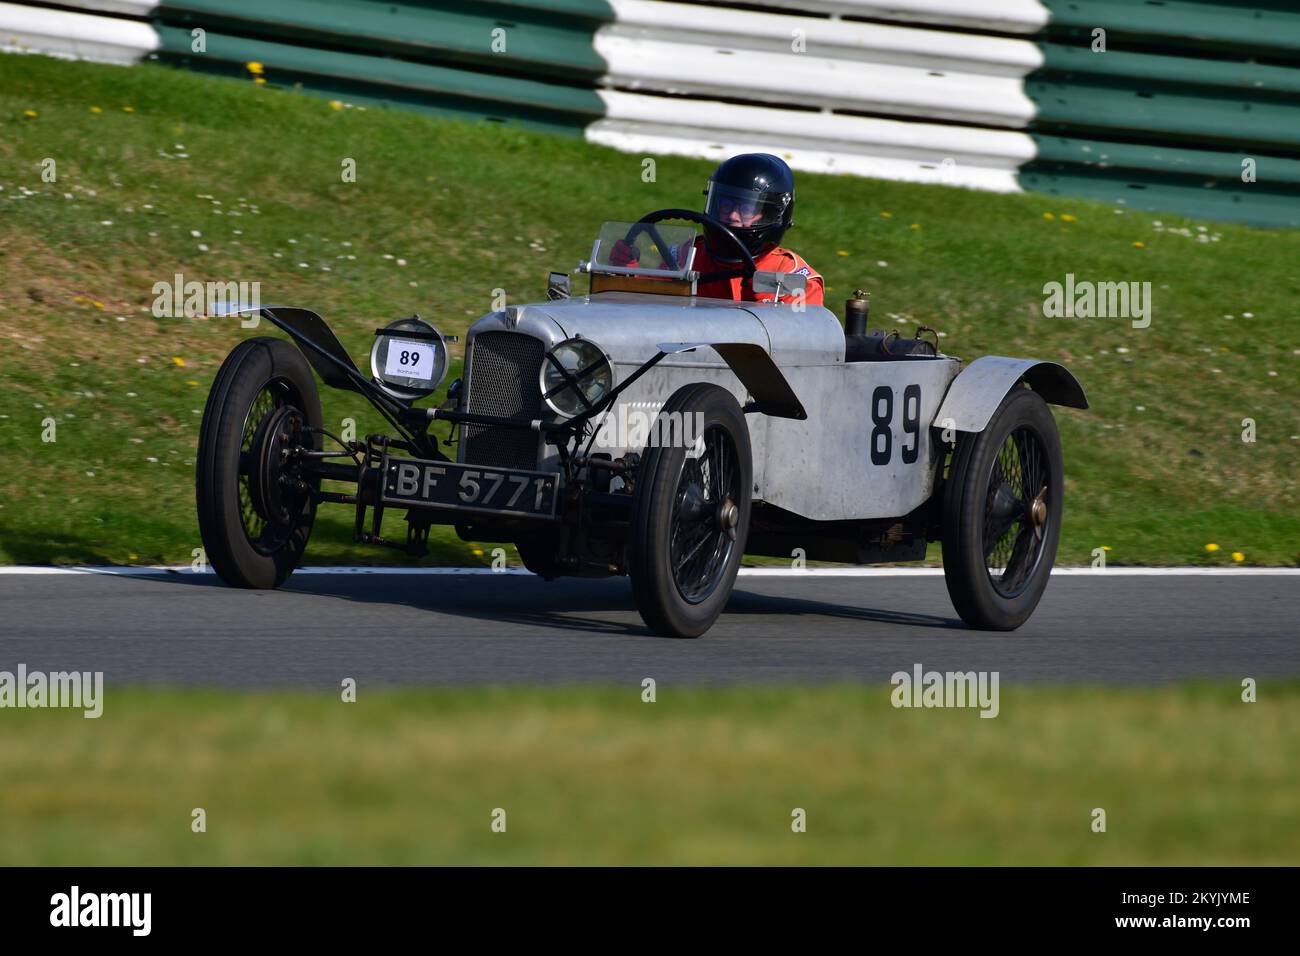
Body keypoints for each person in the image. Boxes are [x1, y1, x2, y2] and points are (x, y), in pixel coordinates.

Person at [610, 153, 824, 306]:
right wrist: (625, 274)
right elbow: (650, 308)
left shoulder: (795, 277)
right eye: (726, 205)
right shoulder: (688, 256)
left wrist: (763, 306)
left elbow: (802, 345)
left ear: (773, 215)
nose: (732, 215)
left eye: (746, 209)